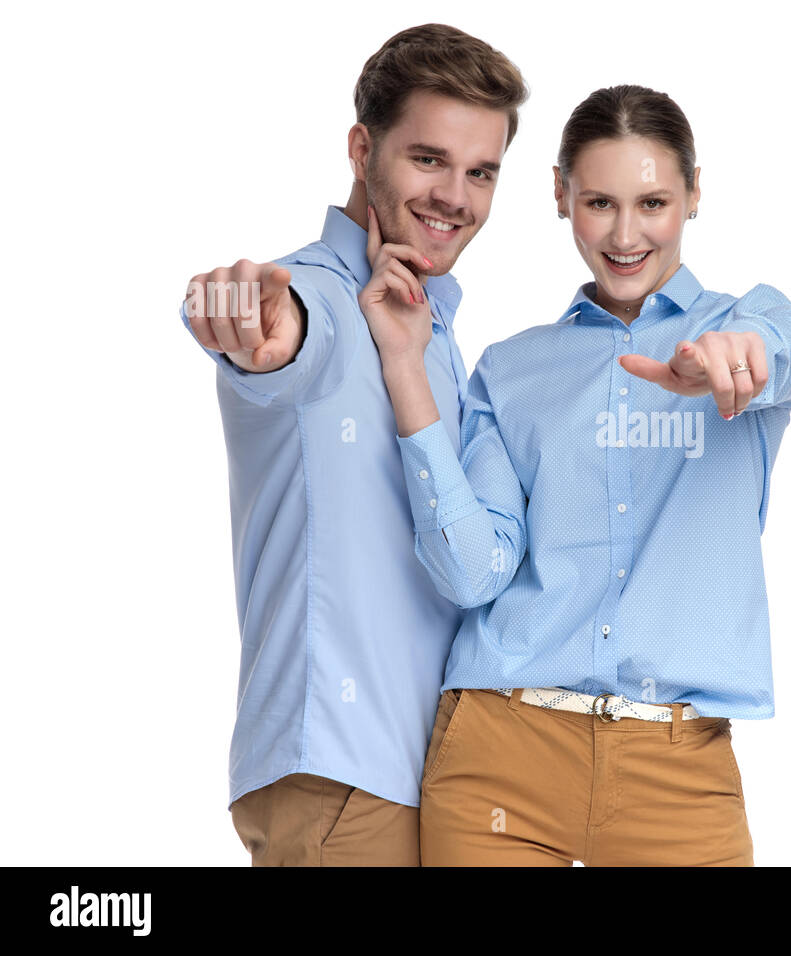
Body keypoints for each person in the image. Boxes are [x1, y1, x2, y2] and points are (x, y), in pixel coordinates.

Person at [360, 84, 791, 866]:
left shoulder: (746, 325)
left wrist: (740, 357)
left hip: (678, 770)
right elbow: (475, 575)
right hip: (500, 752)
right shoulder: (512, 370)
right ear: (559, 194)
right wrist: (405, 367)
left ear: (694, 195)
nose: (624, 233)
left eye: (653, 203)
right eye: (599, 202)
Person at [177, 24, 528, 865]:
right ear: (361, 148)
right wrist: (251, 325)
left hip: (411, 785)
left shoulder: (433, 331)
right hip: (342, 780)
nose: (456, 196)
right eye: (428, 159)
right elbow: (285, 337)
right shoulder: (318, 296)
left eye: (480, 172)